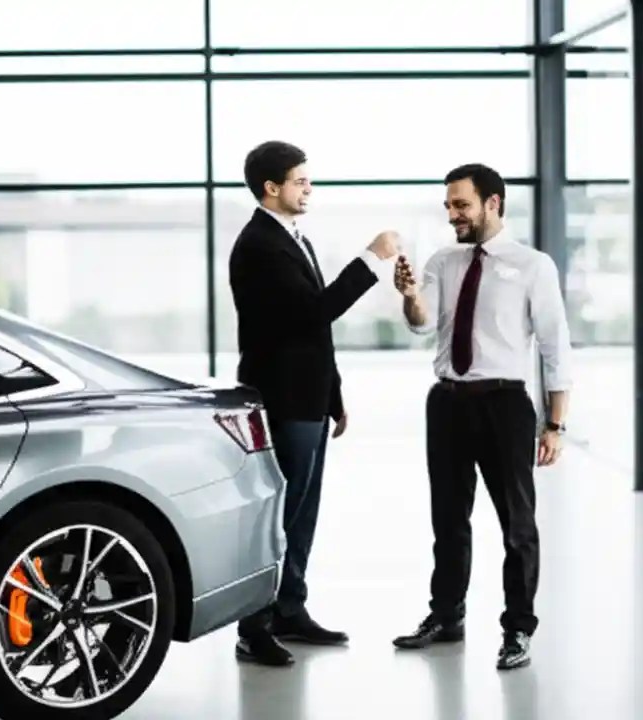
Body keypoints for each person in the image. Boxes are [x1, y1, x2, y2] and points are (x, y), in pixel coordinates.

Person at [390, 163, 572, 671]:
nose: (453, 214)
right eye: (448, 205)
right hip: (447, 403)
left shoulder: (533, 265)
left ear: (493, 203)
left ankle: (518, 629)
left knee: (517, 525)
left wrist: (555, 424)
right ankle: (446, 615)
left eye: (462, 204)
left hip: (504, 406)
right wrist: (410, 296)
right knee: (448, 520)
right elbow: (422, 325)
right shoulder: (443, 261)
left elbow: (555, 346)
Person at [228, 140, 399, 667]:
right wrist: (371, 259)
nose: (309, 188)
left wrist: (334, 395)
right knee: (278, 515)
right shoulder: (260, 245)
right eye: (299, 180)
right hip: (282, 400)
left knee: (301, 513)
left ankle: (289, 609)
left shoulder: (291, 238)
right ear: (270, 188)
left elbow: (312, 335)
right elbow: (313, 313)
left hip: (308, 397)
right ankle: (254, 627)